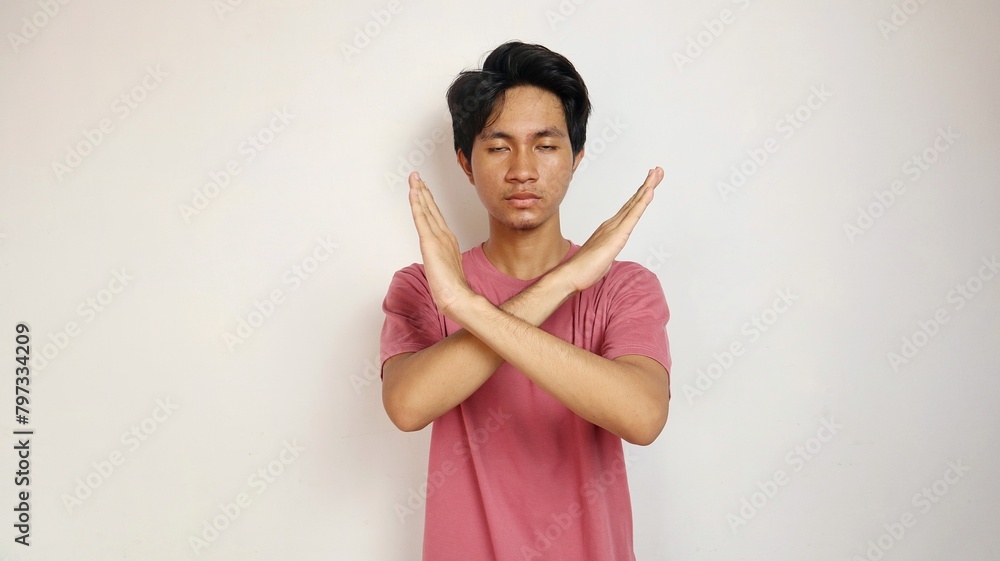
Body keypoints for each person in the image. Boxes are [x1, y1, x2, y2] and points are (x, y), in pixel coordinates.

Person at [379, 40, 671, 560]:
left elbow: (643, 416)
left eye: (546, 144)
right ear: (465, 163)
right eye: (498, 146)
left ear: (577, 157)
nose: (522, 169)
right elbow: (407, 406)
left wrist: (471, 308)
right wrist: (555, 284)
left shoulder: (623, 285)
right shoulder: (424, 286)